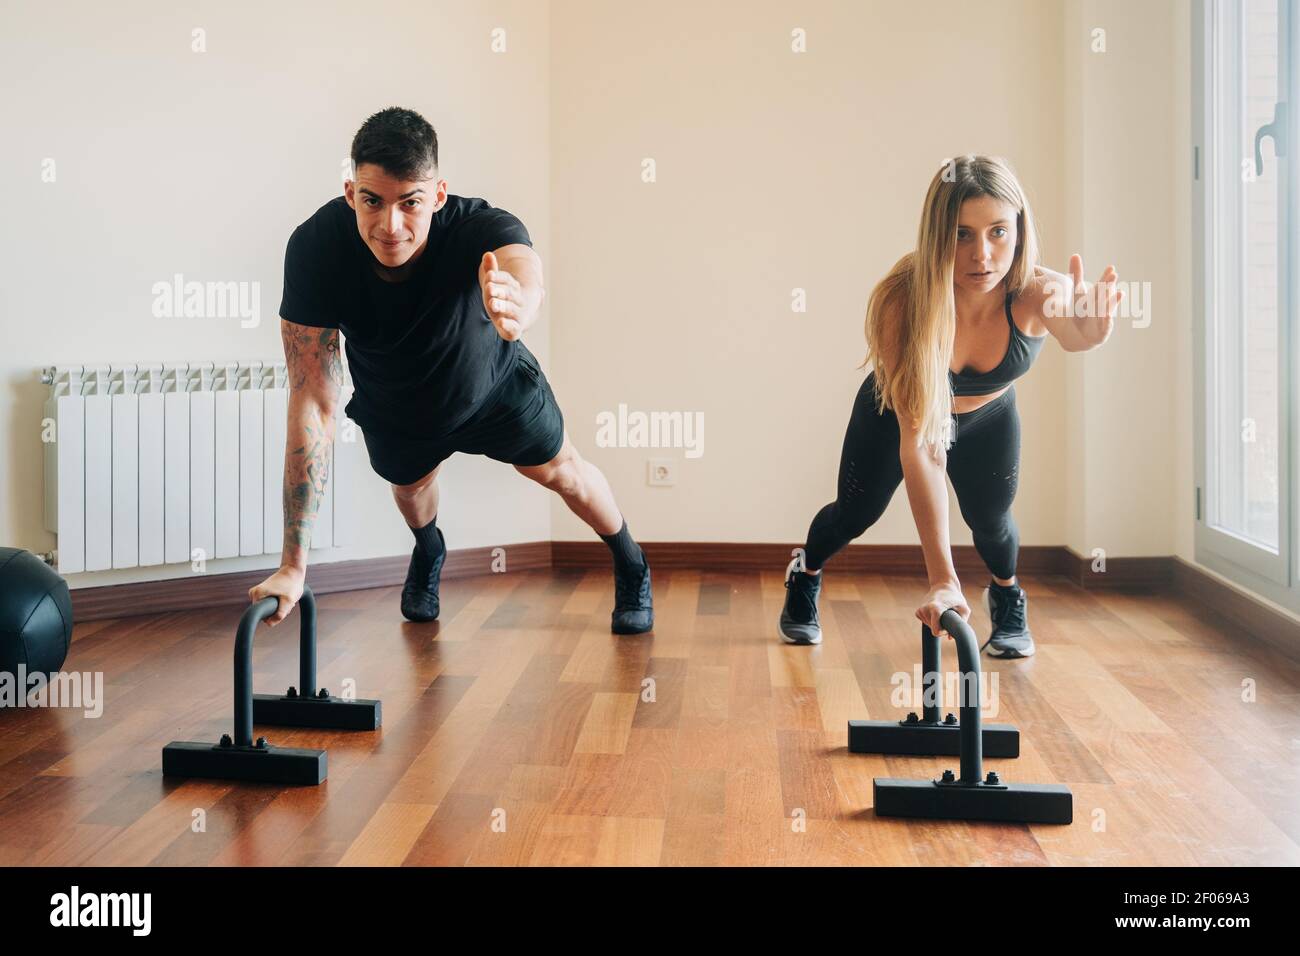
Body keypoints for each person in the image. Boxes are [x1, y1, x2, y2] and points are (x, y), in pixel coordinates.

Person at [250, 107, 653, 635]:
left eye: (410, 203)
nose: (390, 225)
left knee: (563, 474)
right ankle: (429, 547)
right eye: (372, 200)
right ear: (351, 193)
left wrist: (521, 303)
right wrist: (293, 565)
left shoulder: (477, 225)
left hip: (495, 389)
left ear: (438, 196)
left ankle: (630, 560)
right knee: (410, 491)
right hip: (396, 406)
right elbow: (313, 404)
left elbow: (523, 267)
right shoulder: (315, 249)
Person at [779, 155, 1122, 658]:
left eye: (998, 232)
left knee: (992, 523)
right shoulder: (904, 300)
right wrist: (942, 579)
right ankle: (804, 573)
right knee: (855, 513)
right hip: (896, 415)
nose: (982, 255)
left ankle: (1006, 596)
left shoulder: (1038, 291)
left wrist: (1089, 335)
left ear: (1020, 230)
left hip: (989, 418)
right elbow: (922, 446)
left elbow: (1074, 330)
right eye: (962, 234)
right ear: (937, 233)